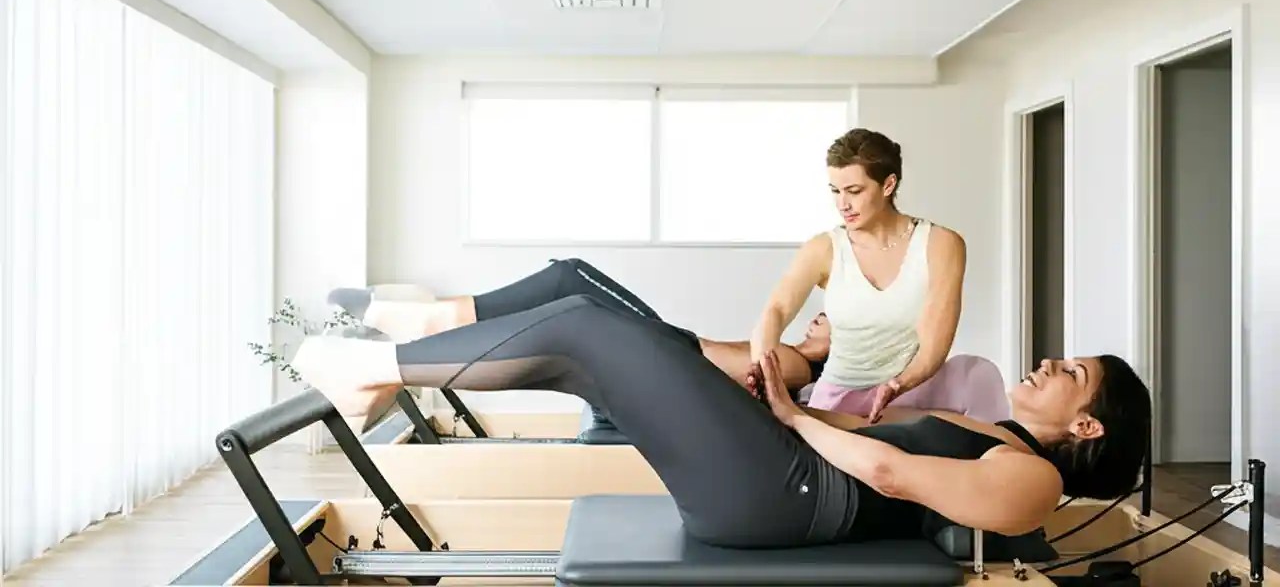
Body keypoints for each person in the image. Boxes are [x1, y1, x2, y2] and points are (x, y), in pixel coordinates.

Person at [291, 293, 1151, 549]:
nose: (1046, 364)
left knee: (585, 335)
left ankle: (369, 371)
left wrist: (788, 414)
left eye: (1069, 373)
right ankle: (392, 358)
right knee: (588, 311)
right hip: (787, 465)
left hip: (787, 496)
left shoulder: (1033, 483)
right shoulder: (994, 428)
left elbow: (889, 473)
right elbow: (884, 438)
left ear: (1086, 429)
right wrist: (792, 399)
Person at [329, 256, 1010, 426]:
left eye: (827, 323)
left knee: (570, 283)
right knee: (567, 287)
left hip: (672, 360)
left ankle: (426, 328)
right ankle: (427, 330)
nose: (814, 322)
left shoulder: (802, 366)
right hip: (673, 352)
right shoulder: (799, 359)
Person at [751, 127, 969, 423]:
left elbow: (933, 346)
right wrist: (763, 366)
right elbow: (776, 309)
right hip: (836, 401)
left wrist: (897, 385)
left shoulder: (941, 245)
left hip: (910, 393)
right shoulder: (824, 248)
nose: (843, 204)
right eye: (835, 191)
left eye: (854, 191)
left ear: (888, 185)